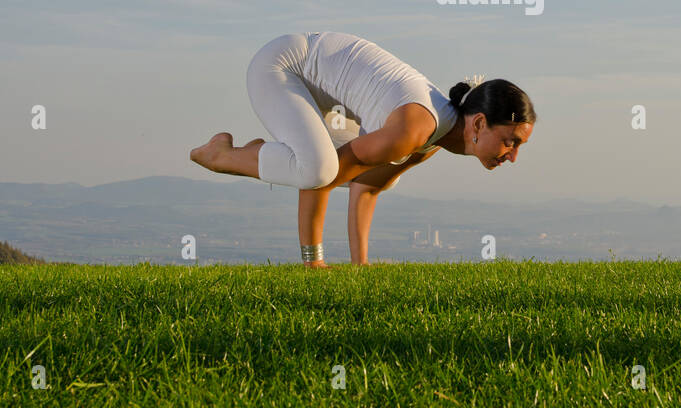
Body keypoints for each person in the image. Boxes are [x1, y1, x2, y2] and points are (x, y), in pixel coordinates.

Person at [190, 31, 535, 268]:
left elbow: (366, 187)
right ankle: (221, 155)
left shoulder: (429, 141)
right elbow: (324, 178)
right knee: (316, 168)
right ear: (478, 124)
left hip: (318, 92)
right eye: (511, 141)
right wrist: (314, 261)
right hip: (281, 66)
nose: (513, 155)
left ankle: (259, 153)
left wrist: (361, 267)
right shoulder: (415, 129)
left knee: (378, 176)